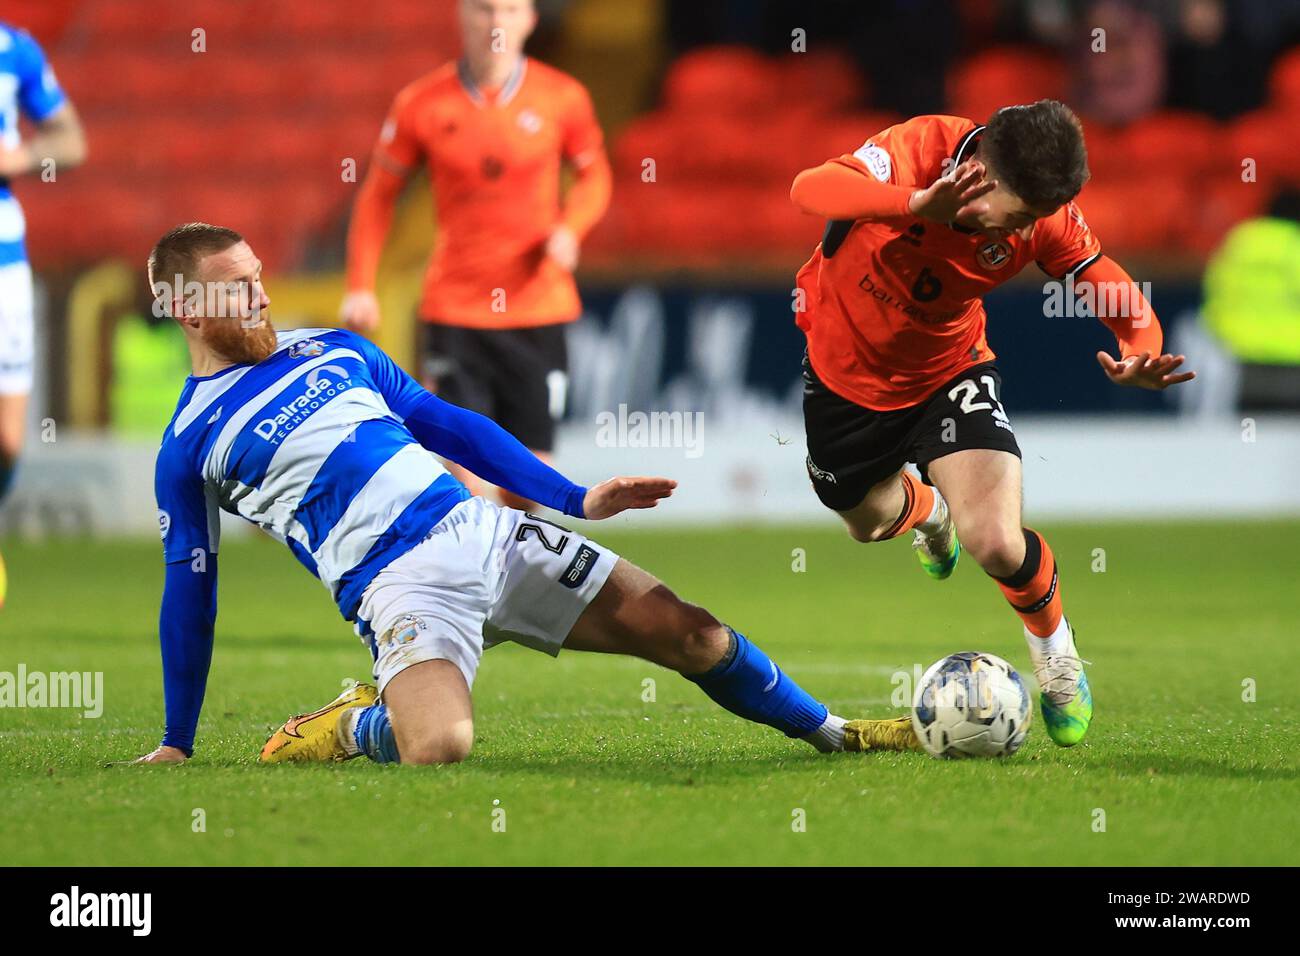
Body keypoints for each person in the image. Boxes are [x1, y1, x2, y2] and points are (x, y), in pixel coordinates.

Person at [133, 223, 918, 766]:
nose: (263, 297)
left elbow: (450, 425)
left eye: (261, 278)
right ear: (186, 309)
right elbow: (187, 589)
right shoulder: (190, 445)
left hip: (484, 534)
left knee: (694, 634)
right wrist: (177, 738)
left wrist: (575, 497)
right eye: (239, 290)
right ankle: (351, 727)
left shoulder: (334, 349)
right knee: (439, 747)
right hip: (397, 585)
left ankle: (837, 733)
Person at [789, 99, 1195, 747]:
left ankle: (1058, 660)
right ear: (981, 170)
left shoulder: (1043, 219)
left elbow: (1105, 281)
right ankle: (927, 511)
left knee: (998, 543)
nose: (1033, 227)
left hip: (950, 372)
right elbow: (810, 189)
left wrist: (1140, 340)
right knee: (864, 523)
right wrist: (915, 204)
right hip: (847, 381)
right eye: (1025, 212)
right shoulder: (920, 147)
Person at [340, 0, 610, 512]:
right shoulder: (422, 104)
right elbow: (377, 195)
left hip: (538, 309)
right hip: (455, 311)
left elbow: (596, 175)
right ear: (462, 17)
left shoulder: (562, 97)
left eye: (509, 10)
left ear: (530, 20)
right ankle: (468, 589)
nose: (496, 23)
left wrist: (570, 231)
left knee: (528, 488)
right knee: (465, 480)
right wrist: (360, 284)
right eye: (484, 9)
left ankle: (515, 587)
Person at [0, 21, 87, 590]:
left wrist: (21, 155)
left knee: (8, 440)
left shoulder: (14, 49)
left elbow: (71, 141)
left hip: (4, 259)